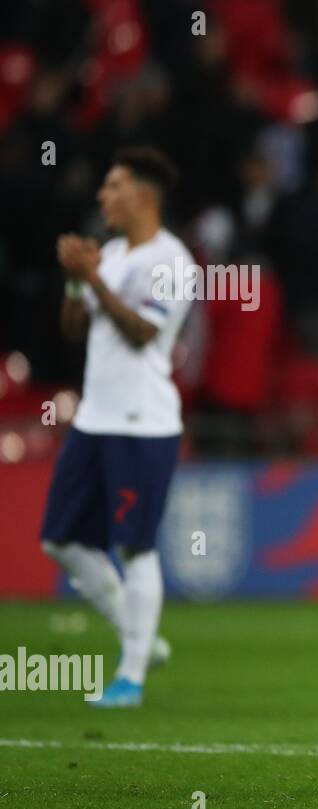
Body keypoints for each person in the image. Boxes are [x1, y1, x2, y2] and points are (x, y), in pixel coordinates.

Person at [40, 147, 193, 708]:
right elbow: (73, 329)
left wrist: (94, 281)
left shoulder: (172, 261)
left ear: (143, 196)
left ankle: (129, 676)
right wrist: (76, 282)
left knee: (134, 547)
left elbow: (142, 333)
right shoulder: (108, 253)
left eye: (114, 186)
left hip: (142, 422)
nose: (103, 196)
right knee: (59, 539)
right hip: (95, 417)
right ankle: (141, 633)